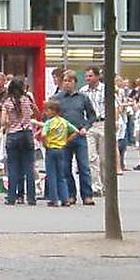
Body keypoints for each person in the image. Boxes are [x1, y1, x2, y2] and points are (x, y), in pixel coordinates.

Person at [51, 71, 96, 206]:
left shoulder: (83, 98)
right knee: (65, 167)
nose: (67, 83)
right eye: (65, 80)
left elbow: (92, 115)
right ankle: (70, 194)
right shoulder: (56, 98)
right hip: (63, 137)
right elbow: (50, 117)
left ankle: (87, 195)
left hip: (79, 135)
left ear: (75, 82)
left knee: (84, 166)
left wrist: (86, 127)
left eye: (70, 81)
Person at [0, 77, 38, 205]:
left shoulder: (7, 102)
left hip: (13, 135)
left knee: (13, 167)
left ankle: (12, 197)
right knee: (29, 167)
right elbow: (34, 113)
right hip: (27, 134)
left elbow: (3, 121)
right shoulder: (27, 100)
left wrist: (8, 124)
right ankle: (31, 198)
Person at [35, 99, 75, 206]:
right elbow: (75, 131)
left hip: (51, 149)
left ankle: (54, 199)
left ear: (52, 111)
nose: (45, 113)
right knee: (61, 176)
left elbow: (43, 135)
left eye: (46, 110)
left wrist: (45, 143)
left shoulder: (49, 123)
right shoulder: (63, 122)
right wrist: (66, 140)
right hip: (61, 149)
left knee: (51, 175)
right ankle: (65, 199)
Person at [79, 67, 107, 195]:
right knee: (91, 158)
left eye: (90, 76)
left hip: (104, 123)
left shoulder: (105, 89)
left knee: (104, 158)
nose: (87, 79)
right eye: (86, 76)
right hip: (90, 125)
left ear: (97, 76)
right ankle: (96, 186)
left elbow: (115, 106)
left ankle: (106, 185)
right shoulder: (83, 91)